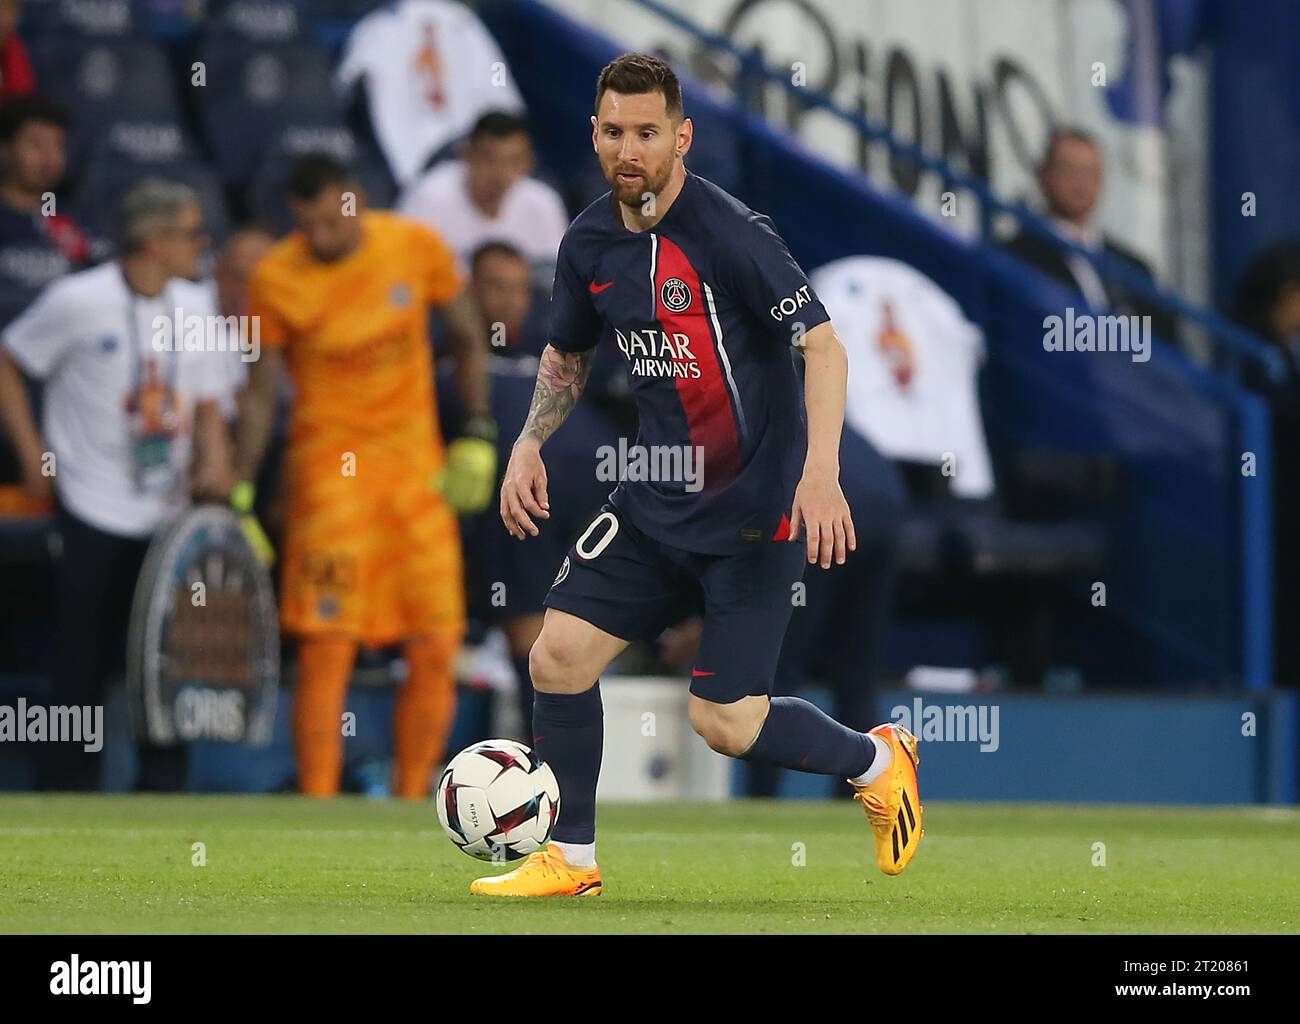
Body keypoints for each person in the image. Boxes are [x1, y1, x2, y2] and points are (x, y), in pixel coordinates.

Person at [474, 54, 925, 897]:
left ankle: (875, 757)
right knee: (558, 656)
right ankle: (569, 862)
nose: (629, 149)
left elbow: (822, 346)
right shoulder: (588, 242)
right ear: (595, 135)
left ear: (681, 136)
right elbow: (568, 352)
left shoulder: (731, 235)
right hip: (653, 502)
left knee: (725, 722)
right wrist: (529, 443)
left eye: (647, 132)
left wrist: (821, 473)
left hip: (755, 514)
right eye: (614, 132)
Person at [234, 154, 495, 799]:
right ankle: (318, 804)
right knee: (329, 644)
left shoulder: (414, 246)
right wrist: (241, 488)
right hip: (329, 479)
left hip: (415, 477)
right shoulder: (276, 277)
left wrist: (481, 432)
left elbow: (467, 334)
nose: (318, 239)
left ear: (352, 202)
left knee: (437, 641)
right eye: (305, 227)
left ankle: (411, 801)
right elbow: (262, 392)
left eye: (328, 222)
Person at [0, 178, 234, 790]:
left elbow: (208, 401)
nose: (201, 245)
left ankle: (162, 790)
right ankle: (66, 787)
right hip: (90, 505)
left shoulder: (198, 304)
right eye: (190, 234)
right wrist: (33, 452)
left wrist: (215, 459)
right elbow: (10, 358)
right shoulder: (78, 299)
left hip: (168, 514)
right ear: (153, 241)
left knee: (167, 657)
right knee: (78, 656)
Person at [1003, 126, 1176, 342]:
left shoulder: (1134, 268)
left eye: (1090, 172)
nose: (1080, 183)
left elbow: (1167, 347)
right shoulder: (1015, 258)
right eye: (1069, 169)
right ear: (1044, 176)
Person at [398, 111, 569, 274]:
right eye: (489, 159)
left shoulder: (543, 204)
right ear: (467, 155)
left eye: (513, 161)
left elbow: (556, 282)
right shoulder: (429, 198)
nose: (500, 174)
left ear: (528, 164)